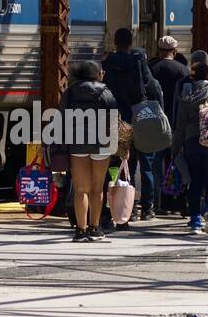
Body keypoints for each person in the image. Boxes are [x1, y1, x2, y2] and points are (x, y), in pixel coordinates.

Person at [101, 27, 162, 222]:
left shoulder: (107, 64)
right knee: (146, 163)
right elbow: (152, 88)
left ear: (115, 42)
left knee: (119, 163)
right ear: (131, 42)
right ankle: (147, 208)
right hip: (140, 118)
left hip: (117, 120)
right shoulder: (138, 62)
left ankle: (126, 207)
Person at [60, 61, 118, 243]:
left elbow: (61, 118)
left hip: (77, 144)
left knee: (80, 189)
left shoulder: (69, 93)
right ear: (97, 74)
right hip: (101, 144)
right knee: (97, 189)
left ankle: (80, 230)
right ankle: (95, 228)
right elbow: (114, 121)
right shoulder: (106, 93)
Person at [171, 59, 208, 236]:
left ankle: (195, 218)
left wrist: (176, 148)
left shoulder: (185, 93)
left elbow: (180, 124)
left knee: (195, 180)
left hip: (191, 141)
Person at [150, 36, 190, 214]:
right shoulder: (183, 70)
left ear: (159, 51)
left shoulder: (151, 69)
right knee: (176, 162)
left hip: (155, 123)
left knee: (156, 163)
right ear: (174, 51)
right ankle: (176, 200)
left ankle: (157, 203)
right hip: (175, 123)